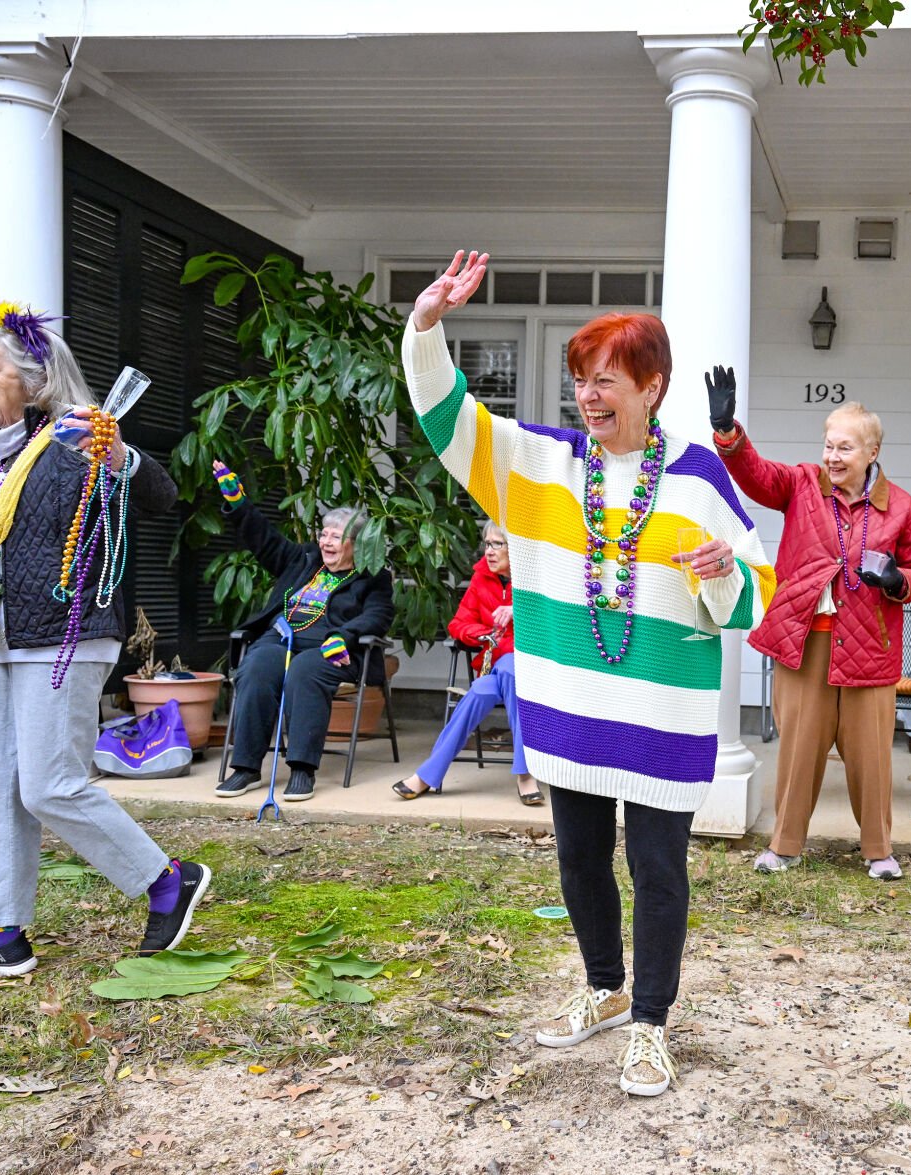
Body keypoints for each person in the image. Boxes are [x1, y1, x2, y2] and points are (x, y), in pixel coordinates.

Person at [400, 251, 773, 1097]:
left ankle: (648, 1022)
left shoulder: (698, 475)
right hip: (570, 705)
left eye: (608, 379)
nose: (590, 395)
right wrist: (427, 325)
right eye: (581, 379)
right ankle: (603, 988)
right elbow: (446, 416)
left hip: (664, 713)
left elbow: (754, 595)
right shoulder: (537, 464)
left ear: (653, 387)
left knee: (658, 869)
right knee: (577, 859)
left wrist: (721, 570)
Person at [0, 294, 209, 980]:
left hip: (66, 637)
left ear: (34, 380)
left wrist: (121, 453)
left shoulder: (74, 441)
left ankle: (167, 880)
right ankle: (2, 929)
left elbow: (157, 493)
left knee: (50, 785)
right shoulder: (16, 460)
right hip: (17, 639)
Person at [710, 388, 911, 880]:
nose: (832, 456)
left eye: (845, 447)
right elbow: (758, 476)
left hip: (869, 647)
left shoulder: (901, 507)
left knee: (871, 758)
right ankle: (785, 846)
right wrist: (729, 434)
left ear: (872, 452)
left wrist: (897, 581)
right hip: (804, 640)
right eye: (829, 445)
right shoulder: (803, 485)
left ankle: (878, 850)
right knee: (799, 750)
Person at [211, 461, 395, 804]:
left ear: (355, 544)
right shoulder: (304, 559)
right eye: (323, 534)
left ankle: (301, 768)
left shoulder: (373, 576)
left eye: (335, 537)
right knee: (256, 667)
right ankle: (247, 768)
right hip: (280, 638)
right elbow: (265, 540)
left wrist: (345, 636)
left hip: (332, 649)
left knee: (304, 672)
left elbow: (379, 615)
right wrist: (238, 502)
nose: (325, 542)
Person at [392, 520, 538, 804]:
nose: (490, 551)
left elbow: (551, 627)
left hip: (531, 669)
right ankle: (524, 775)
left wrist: (516, 610)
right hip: (496, 666)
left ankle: (427, 776)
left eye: (498, 544)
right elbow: (458, 625)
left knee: (506, 670)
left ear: (516, 548)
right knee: (488, 685)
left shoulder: (533, 581)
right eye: (487, 544)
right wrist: (486, 634)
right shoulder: (481, 579)